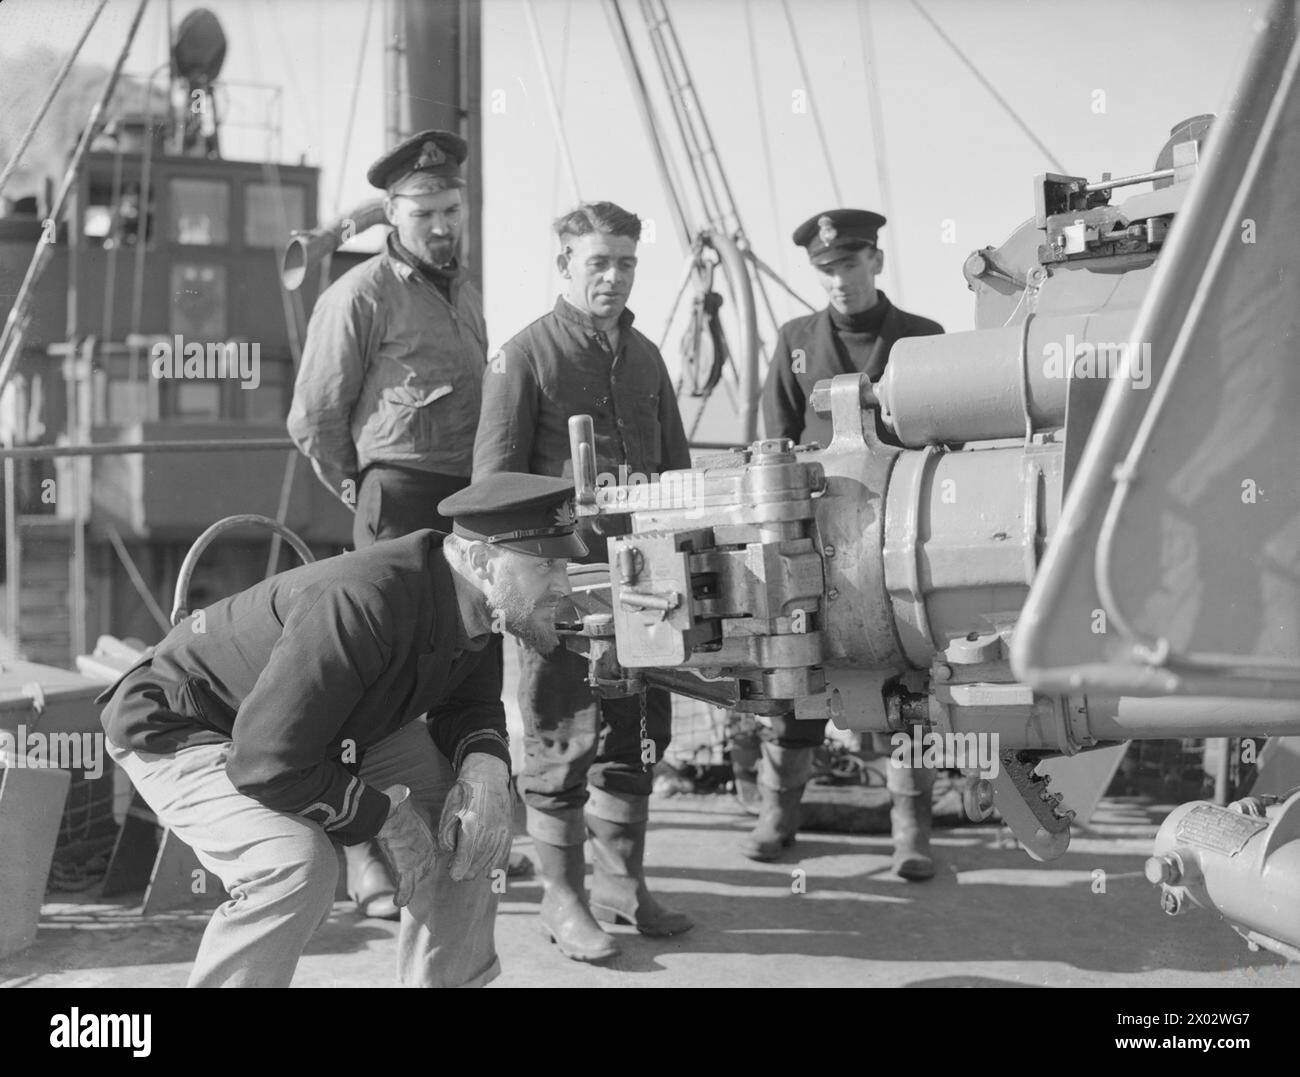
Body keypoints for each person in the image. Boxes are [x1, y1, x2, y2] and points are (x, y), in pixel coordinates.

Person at [98, 473, 584, 987]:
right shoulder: (363, 600)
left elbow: (471, 704)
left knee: (474, 822)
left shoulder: (479, 599)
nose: (565, 585)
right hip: (191, 726)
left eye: (565, 565)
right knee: (295, 867)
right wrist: (387, 819)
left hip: (328, 729)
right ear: (485, 561)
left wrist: (485, 767)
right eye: (547, 566)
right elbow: (265, 761)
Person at [473, 201, 694, 961]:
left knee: (637, 731)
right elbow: (492, 490)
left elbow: (677, 475)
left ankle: (621, 883)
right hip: (557, 581)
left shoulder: (647, 359)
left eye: (626, 262)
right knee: (563, 734)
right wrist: (530, 581)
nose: (613, 275)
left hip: (643, 575)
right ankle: (560, 898)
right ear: (564, 264)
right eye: (597, 261)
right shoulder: (523, 356)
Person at [286, 129, 492, 918]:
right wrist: (362, 489)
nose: (441, 226)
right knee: (380, 676)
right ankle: (366, 851)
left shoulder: (464, 294)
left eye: (451, 209)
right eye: (424, 212)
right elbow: (313, 416)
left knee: (461, 666)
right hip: (396, 500)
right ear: (392, 217)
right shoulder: (360, 295)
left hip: (466, 504)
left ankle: (450, 837)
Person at [745, 208, 945, 879]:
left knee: (907, 684)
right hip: (816, 546)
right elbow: (768, 447)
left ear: (875, 262)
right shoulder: (795, 342)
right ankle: (777, 814)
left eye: (849, 264)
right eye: (826, 269)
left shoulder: (922, 340)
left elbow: (949, 449)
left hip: (900, 547)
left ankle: (911, 832)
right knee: (799, 681)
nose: (838, 279)